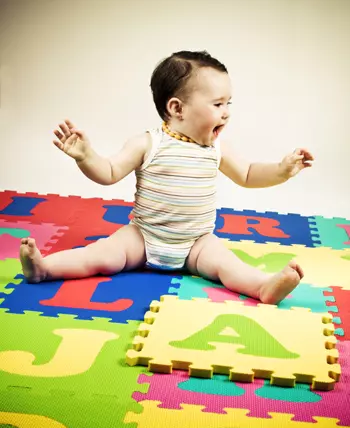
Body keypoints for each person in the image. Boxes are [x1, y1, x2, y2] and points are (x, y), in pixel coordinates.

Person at [19, 50, 313, 304]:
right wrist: (86, 156)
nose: (226, 114)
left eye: (228, 104)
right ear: (177, 108)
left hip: (196, 243)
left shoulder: (216, 147)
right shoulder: (148, 143)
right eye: (217, 104)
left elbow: (248, 174)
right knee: (100, 256)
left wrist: (281, 170)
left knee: (227, 264)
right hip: (143, 237)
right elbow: (108, 172)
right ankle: (45, 268)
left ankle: (262, 286)